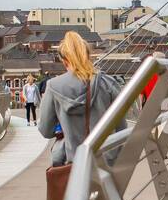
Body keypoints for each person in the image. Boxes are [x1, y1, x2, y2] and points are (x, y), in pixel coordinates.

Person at [38, 31, 123, 166]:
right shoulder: (108, 83)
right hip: (106, 164)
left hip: (73, 164)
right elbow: (121, 128)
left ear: (65, 61)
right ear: (88, 56)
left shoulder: (53, 86)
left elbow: (45, 130)